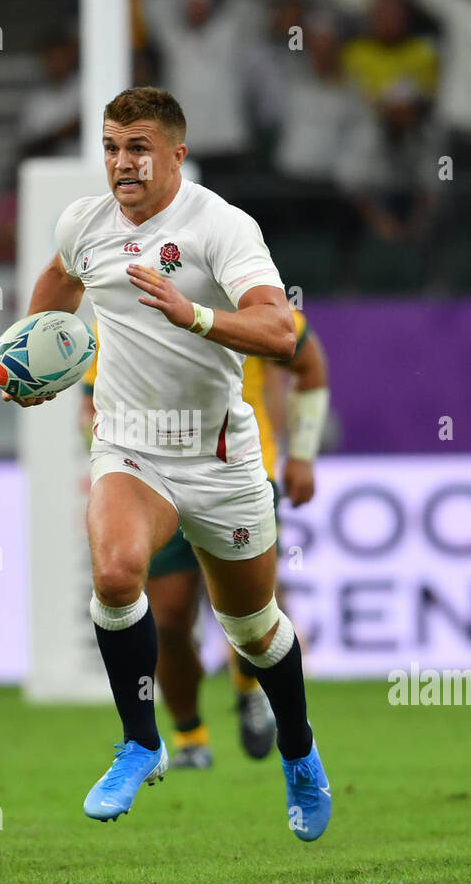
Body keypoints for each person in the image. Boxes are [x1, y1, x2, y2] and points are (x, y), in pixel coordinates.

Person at [5, 86, 331, 840]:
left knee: (253, 630)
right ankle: (142, 741)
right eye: (112, 147)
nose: (122, 163)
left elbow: (282, 332)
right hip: (131, 446)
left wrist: (196, 315)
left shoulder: (222, 227)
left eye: (138, 148)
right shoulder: (85, 224)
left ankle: (300, 749)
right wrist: (32, 354)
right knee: (117, 575)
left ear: (176, 154)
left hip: (219, 455)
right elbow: (59, 281)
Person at [79, 310, 330, 768]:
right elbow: (89, 402)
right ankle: (190, 736)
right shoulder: (120, 309)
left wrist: (304, 455)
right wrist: (105, 464)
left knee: (251, 617)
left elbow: (309, 365)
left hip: (240, 472)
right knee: (169, 619)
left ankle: (250, 688)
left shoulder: (249, 297)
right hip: (153, 479)